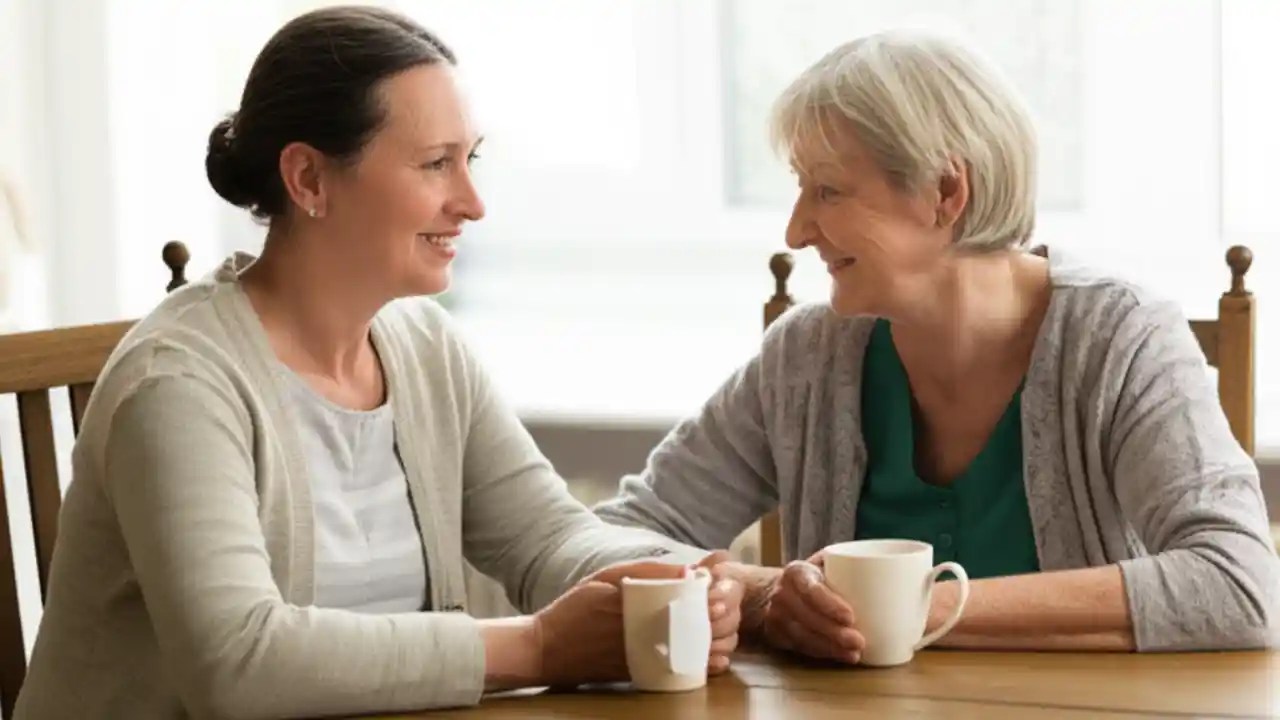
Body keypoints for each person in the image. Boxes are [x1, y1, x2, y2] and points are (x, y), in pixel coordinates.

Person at [14, 7, 742, 719]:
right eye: (436, 165)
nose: (473, 203)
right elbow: (235, 664)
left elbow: (546, 537)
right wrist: (543, 645)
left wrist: (693, 577)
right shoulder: (178, 384)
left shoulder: (425, 348)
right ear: (308, 180)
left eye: (470, 160)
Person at [595, 29, 1279, 660]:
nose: (797, 229)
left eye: (828, 190)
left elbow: (1239, 585)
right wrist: (762, 595)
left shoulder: (1120, 339)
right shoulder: (805, 358)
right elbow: (613, 540)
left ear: (946, 190)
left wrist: (918, 607)